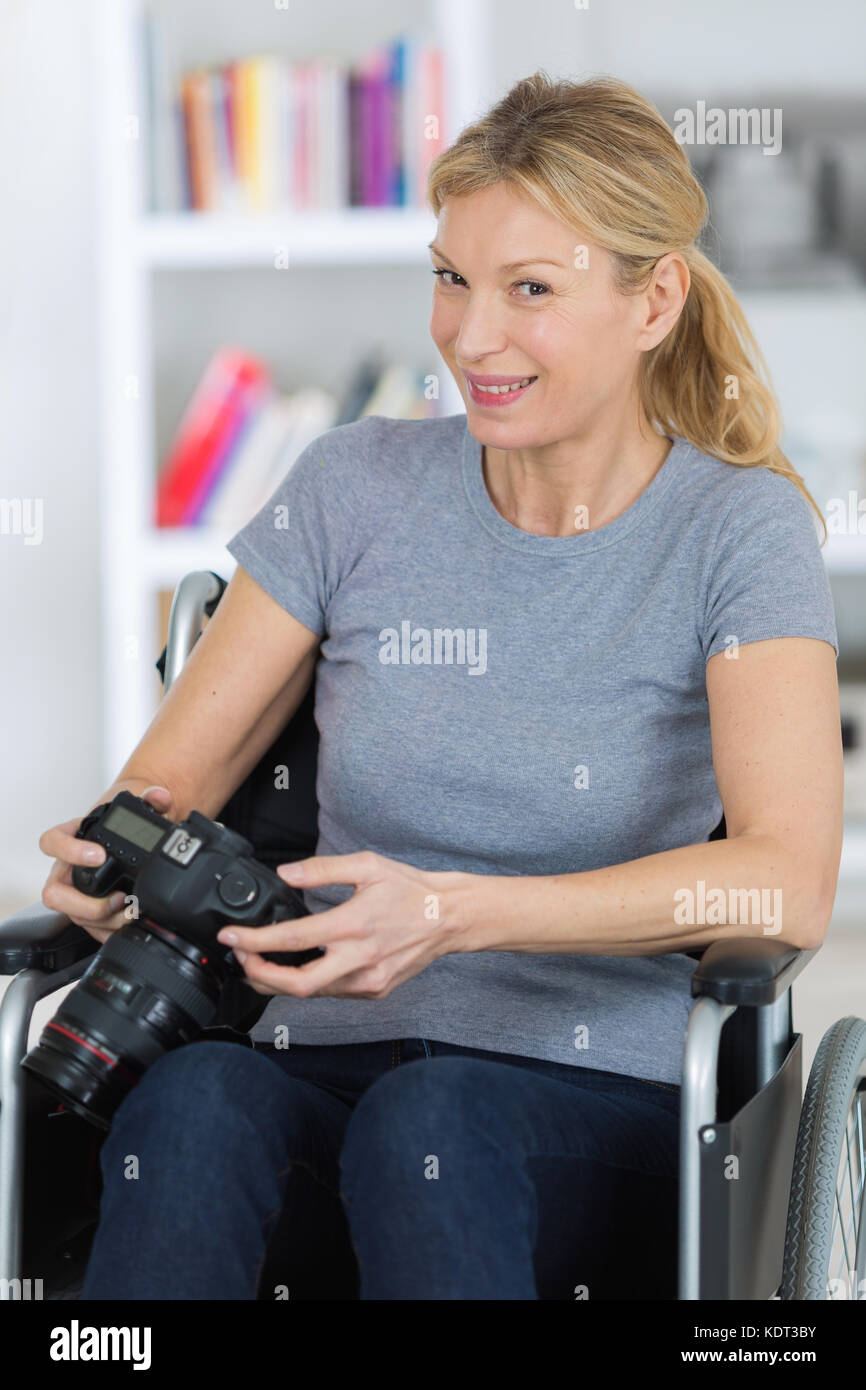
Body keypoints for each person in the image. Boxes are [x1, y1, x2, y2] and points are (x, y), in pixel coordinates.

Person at [40, 72, 842, 1301]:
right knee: (195, 1097)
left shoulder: (735, 532)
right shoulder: (352, 485)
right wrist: (112, 861)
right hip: (318, 1065)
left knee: (431, 1120)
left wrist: (454, 913)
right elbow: (161, 787)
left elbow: (781, 880)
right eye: (450, 277)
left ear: (652, 300)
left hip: (579, 1099)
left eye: (530, 289)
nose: (469, 335)